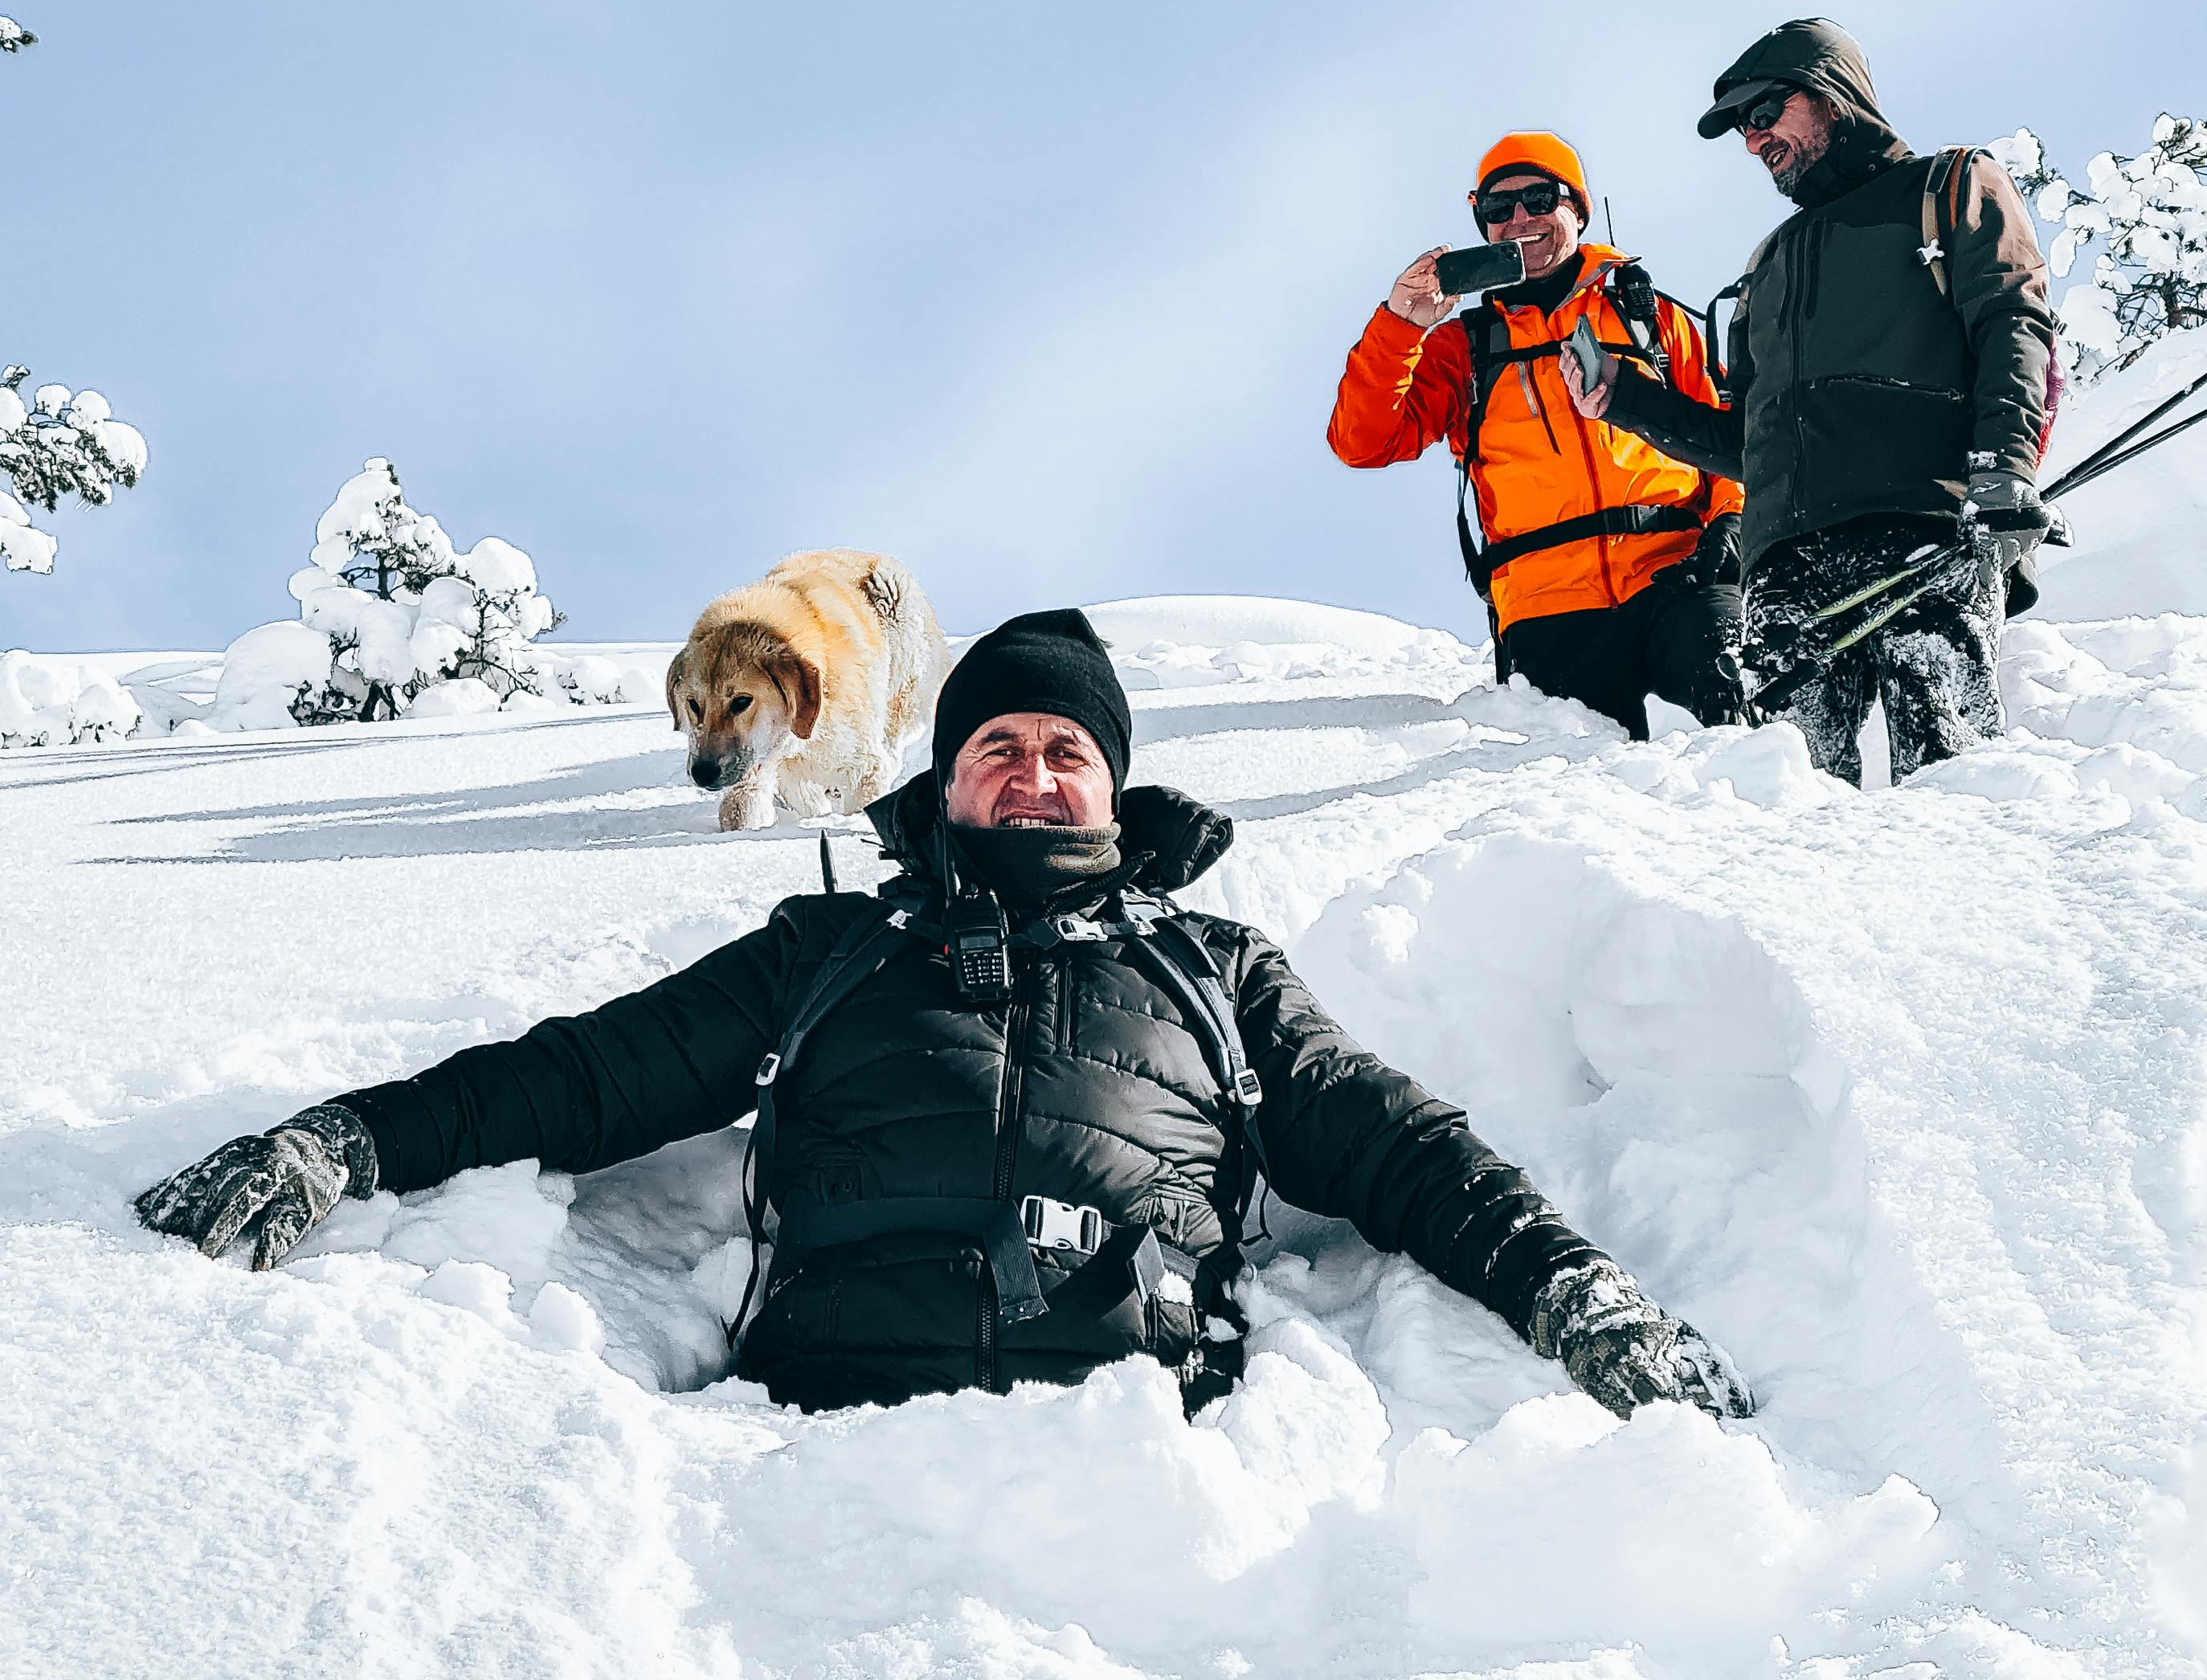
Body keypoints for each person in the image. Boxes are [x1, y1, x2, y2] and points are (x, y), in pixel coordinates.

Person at [135, 608, 1752, 1430]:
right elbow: (582, 1079)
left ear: (1112, 788)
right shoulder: (830, 951)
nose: (1033, 770)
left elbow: (1403, 1150)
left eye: (1068, 748)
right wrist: (343, 1139)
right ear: (952, 775)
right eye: (1000, 744)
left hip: (1145, 1473)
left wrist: (1577, 1298)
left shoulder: (1218, 968)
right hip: (813, 1472)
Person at [1563, 19, 2056, 787]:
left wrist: (2003, 466)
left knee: (1949, 782)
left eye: (1764, 115)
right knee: (1792, 810)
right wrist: (1623, 399)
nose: (1754, 143)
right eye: (1742, 132)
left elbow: (2012, 322)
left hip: (1921, 532)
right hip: (1784, 569)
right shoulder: (1767, 265)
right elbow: (1750, 445)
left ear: (1830, 93)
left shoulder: (1949, 185)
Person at [1326, 130, 1747, 737]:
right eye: (1498, 209)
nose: (1519, 218)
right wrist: (1400, 325)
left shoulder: (1650, 318)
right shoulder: (1461, 347)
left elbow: (1728, 439)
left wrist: (1731, 523)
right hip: (1547, 606)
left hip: (1678, 573)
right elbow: (1362, 443)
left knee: (1746, 727)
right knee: (1575, 794)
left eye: (1539, 198)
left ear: (1577, 208)